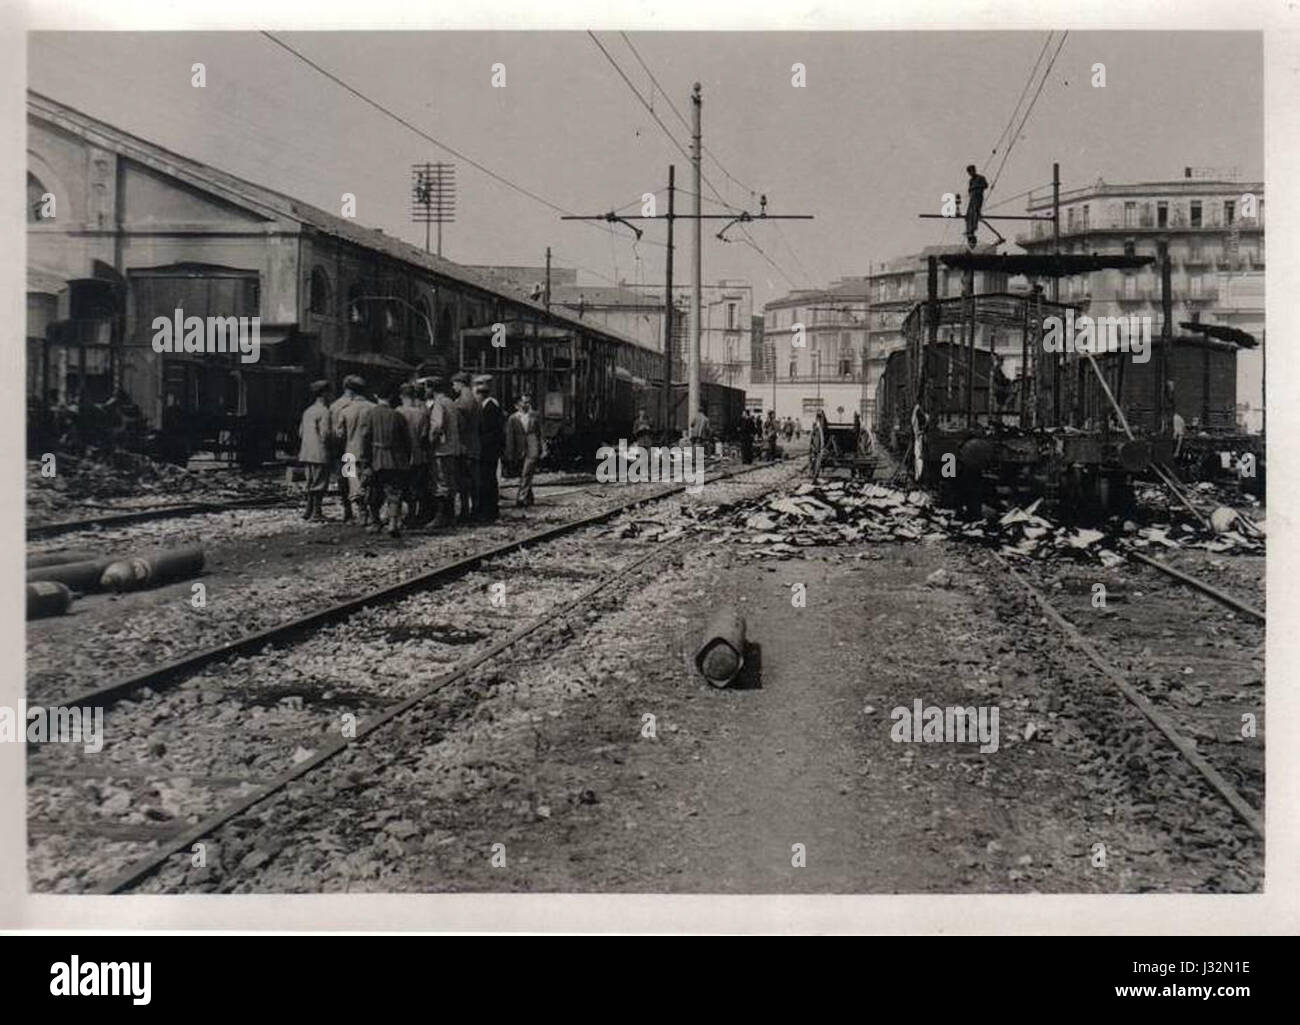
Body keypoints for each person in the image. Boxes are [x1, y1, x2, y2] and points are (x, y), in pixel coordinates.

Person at [360, 392, 411, 537]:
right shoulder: (398, 416)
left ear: (376, 396)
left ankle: (375, 522)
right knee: (394, 492)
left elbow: (365, 439)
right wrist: (405, 458)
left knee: (374, 492)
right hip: (396, 459)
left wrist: (365, 461)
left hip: (376, 459)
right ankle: (393, 523)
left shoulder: (370, 414)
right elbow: (407, 441)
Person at [331, 375, 372, 524]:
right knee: (368, 482)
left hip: (348, 453)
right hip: (369, 453)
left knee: (350, 482)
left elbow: (338, 434)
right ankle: (371, 512)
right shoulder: (372, 407)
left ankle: (358, 511)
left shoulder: (340, 408)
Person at [298, 379, 333, 521]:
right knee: (320, 483)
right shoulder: (324, 411)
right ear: (324, 394)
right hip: (320, 452)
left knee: (310, 482)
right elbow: (325, 435)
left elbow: (300, 432)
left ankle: (308, 511)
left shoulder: (308, 411)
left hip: (306, 452)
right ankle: (316, 513)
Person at [427, 376, 460, 528]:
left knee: (441, 483)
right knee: (451, 482)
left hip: (441, 449)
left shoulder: (439, 404)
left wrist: (430, 442)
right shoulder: (451, 403)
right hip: (453, 447)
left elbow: (437, 425)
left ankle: (441, 517)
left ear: (432, 389)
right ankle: (451, 515)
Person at [397, 382, 431, 526]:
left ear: (401, 396)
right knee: (416, 487)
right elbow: (425, 436)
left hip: (402, 456)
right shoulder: (422, 413)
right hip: (418, 455)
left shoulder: (398, 412)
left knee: (400, 487)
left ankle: (398, 517)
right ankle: (412, 515)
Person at [474, 374, 506, 522]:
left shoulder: (490, 407)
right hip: (489, 449)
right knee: (487, 480)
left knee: (487, 481)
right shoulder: (488, 405)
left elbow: (491, 432)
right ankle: (487, 510)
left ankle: (489, 512)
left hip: (488, 450)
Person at [452, 371, 480, 523]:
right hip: (474, 445)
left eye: (454, 384)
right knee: (474, 481)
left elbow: (460, 427)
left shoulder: (462, 403)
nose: (453, 387)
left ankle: (465, 512)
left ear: (460, 383)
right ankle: (475, 510)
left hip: (464, 446)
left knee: (463, 482)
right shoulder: (474, 400)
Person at [505, 394, 543, 508]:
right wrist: (509, 452)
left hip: (533, 446)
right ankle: (529, 497)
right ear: (517, 405)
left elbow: (540, 433)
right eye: (524, 402)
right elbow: (510, 437)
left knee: (526, 472)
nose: (526, 404)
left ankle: (521, 498)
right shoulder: (513, 418)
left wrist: (542, 448)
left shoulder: (535, 416)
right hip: (519, 448)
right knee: (524, 473)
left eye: (528, 402)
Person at [965, 164, 989, 246]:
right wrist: (972, 189)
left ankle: (973, 228)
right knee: (968, 214)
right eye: (969, 172)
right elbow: (969, 190)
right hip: (972, 198)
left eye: (971, 171)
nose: (970, 173)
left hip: (978, 197)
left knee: (975, 212)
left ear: (974, 170)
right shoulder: (971, 180)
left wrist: (976, 187)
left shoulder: (981, 178)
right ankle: (969, 230)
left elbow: (986, 185)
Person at [809, 409, 828, 482]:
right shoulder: (817, 426)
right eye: (818, 417)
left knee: (816, 461)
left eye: (820, 417)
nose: (819, 418)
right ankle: (814, 475)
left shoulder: (819, 426)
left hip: (819, 447)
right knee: (816, 461)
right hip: (817, 448)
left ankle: (814, 475)